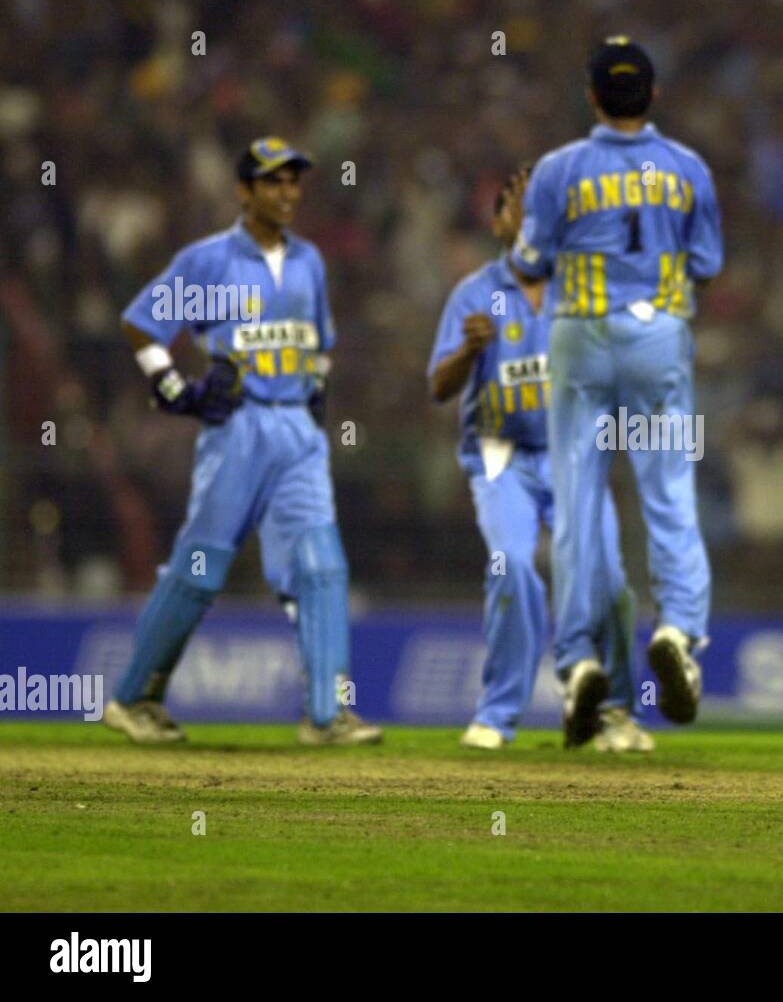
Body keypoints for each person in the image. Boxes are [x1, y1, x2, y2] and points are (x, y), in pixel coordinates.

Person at [105, 137, 382, 746]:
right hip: (238, 428)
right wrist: (174, 387)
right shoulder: (209, 260)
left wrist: (316, 391)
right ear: (244, 190)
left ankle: (326, 713)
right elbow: (140, 323)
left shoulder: (310, 260)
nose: (287, 192)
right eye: (273, 182)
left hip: (297, 433)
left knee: (322, 566)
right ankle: (134, 697)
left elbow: (321, 343)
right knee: (200, 570)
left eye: (293, 181)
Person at [510, 38, 723, 744]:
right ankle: (679, 636)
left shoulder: (559, 169)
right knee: (668, 494)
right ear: (653, 95)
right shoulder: (688, 169)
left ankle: (577, 663)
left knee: (577, 504)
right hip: (657, 336)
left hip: (578, 340)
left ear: (593, 96)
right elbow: (707, 262)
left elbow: (530, 259)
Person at [430, 169, 651, 752]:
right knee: (511, 565)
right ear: (499, 220)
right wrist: (467, 350)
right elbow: (438, 386)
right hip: (501, 458)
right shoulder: (473, 294)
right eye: (517, 207)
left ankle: (615, 713)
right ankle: (498, 714)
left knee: (608, 578)